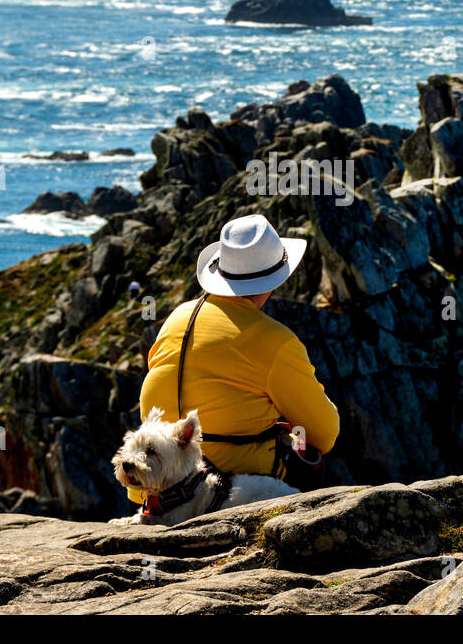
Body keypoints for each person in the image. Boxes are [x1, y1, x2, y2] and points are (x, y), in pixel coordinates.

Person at [128, 213, 339, 507]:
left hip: (155, 488)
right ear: (274, 279)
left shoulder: (175, 320)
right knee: (310, 462)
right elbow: (325, 434)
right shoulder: (275, 340)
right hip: (232, 493)